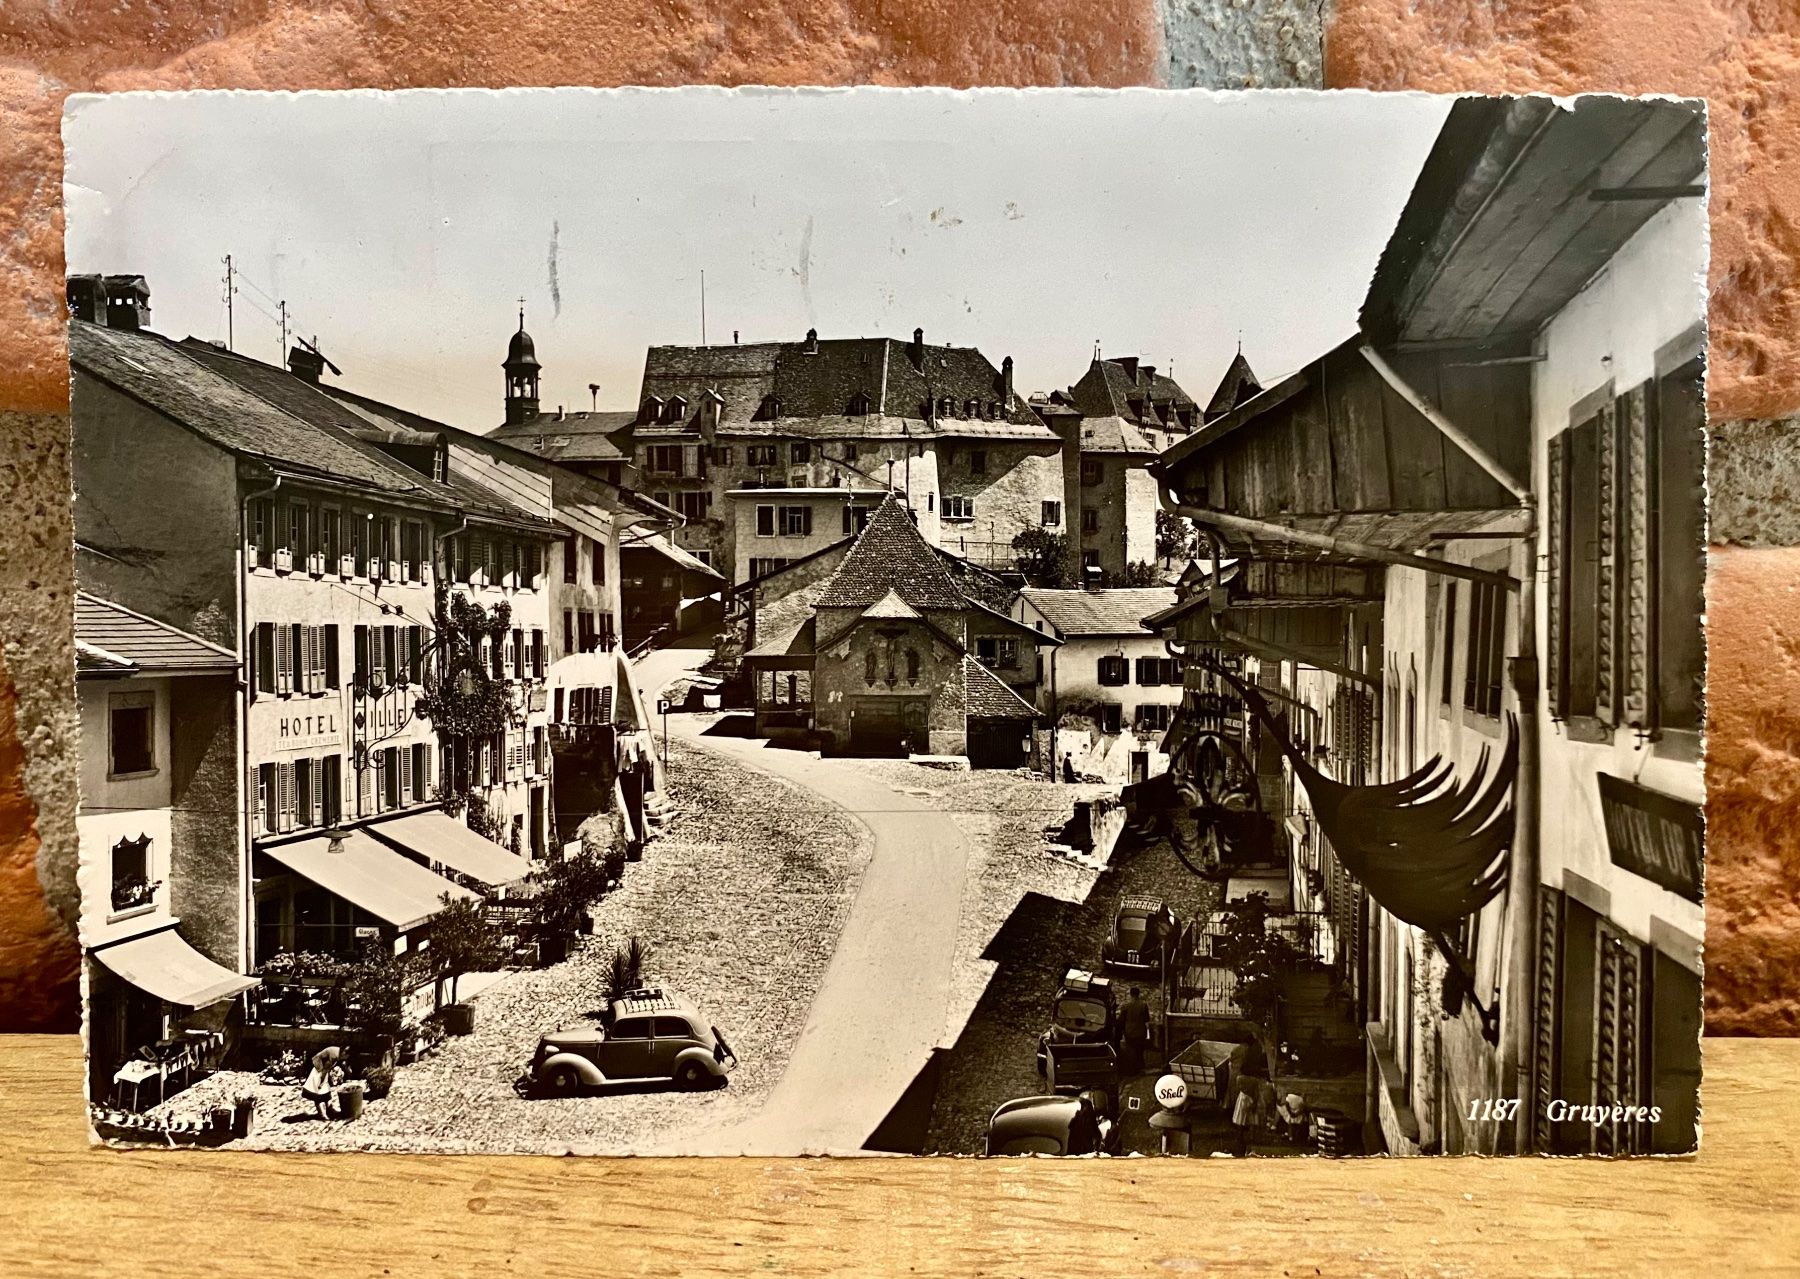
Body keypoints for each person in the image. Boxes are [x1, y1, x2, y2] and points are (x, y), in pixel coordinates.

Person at [301, 1045, 343, 1121]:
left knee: (326, 1091)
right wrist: (321, 1082)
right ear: (344, 1053)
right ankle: (321, 1114)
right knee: (317, 1093)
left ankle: (329, 1109)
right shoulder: (334, 1056)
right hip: (317, 1068)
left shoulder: (338, 1052)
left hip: (322, 1068)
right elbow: (325, 1070)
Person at [1119, 986, 1151, 1077]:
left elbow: (1121, 1020)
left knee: (1131, 1051)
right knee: (1139, 1051)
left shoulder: (1125, 1006)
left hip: (1129, 1032)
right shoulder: (1143, 1005)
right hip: (1140, 1032)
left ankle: (1132, 1070)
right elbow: (1146, 1019)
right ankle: (1140, 1068)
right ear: (1138, 994)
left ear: (1130, 994)